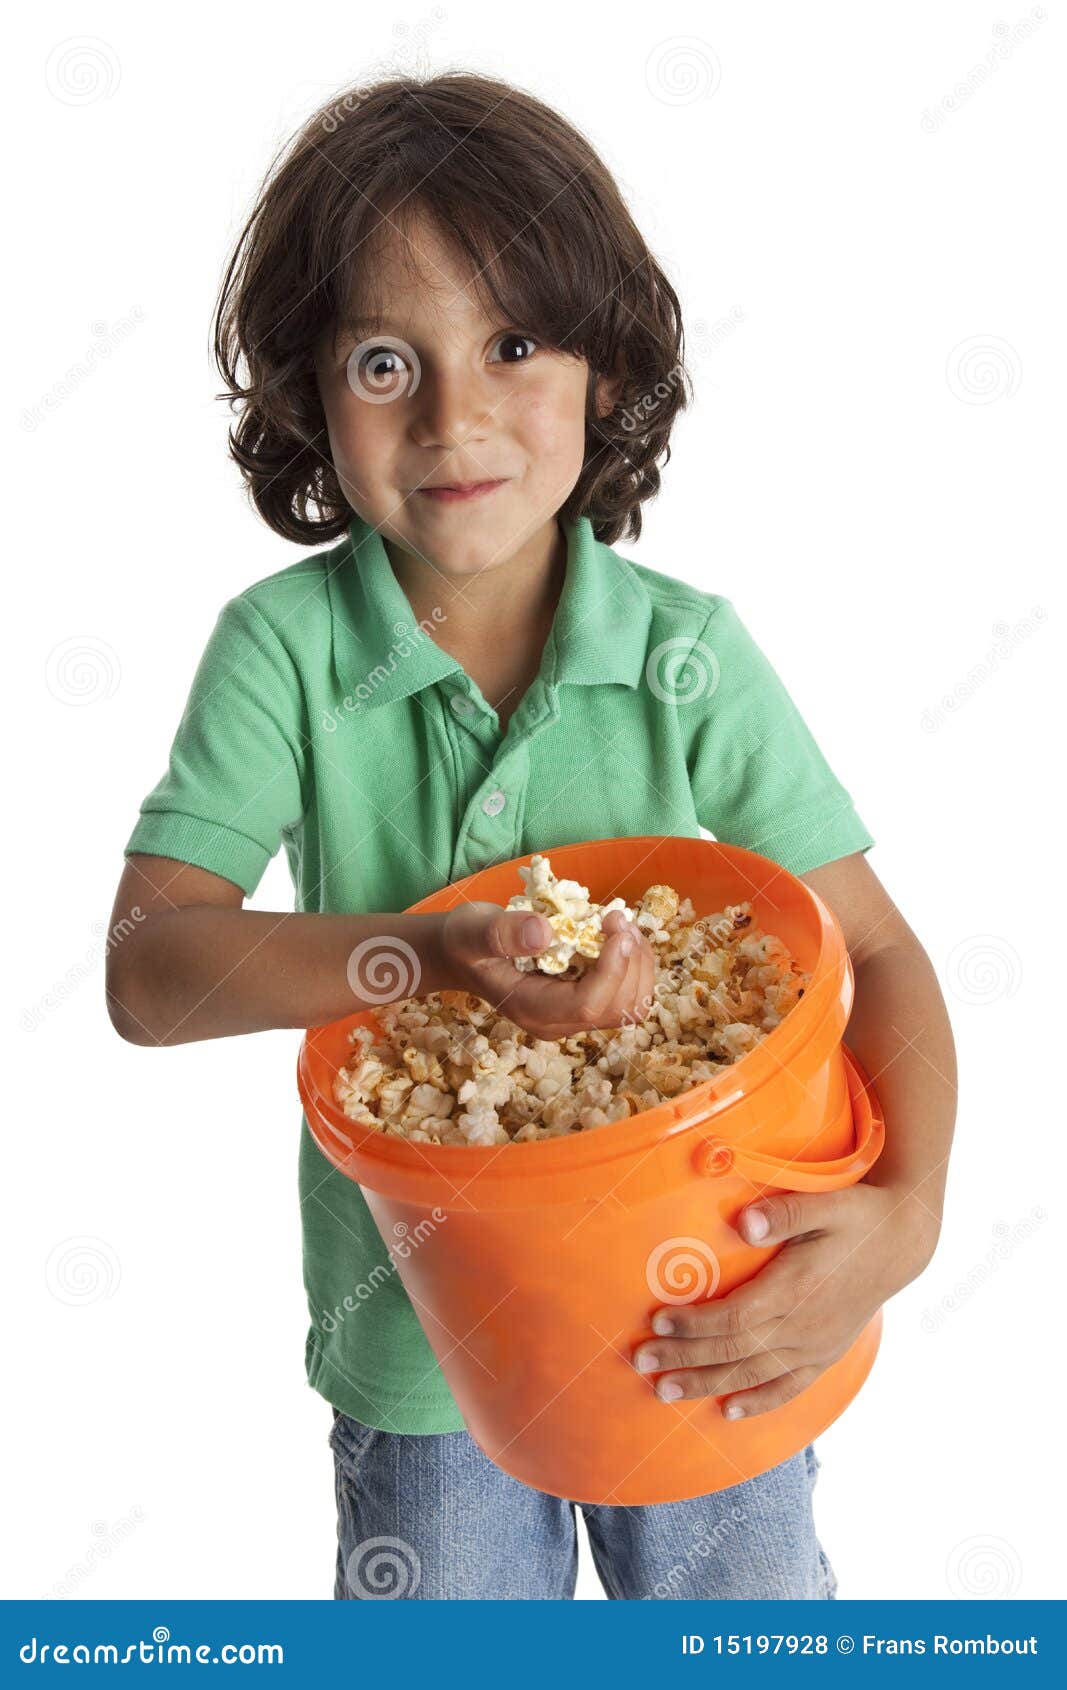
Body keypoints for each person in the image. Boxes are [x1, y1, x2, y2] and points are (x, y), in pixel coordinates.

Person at [106, 71, 957, 1600]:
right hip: (427, 1341)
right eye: (384, 361)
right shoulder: (285, 658)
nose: (455, 417)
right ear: (307, 393)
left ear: (607, 371)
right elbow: (150, 970)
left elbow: (876, 949)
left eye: (512, 343)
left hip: (713, 1310)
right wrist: (426, 959)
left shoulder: (688, 656)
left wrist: (905, 1220)